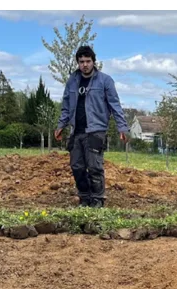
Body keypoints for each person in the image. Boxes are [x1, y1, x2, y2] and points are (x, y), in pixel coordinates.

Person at [55, 46, 129, 208]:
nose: (85, 65)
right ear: (78, 63)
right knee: (77, 167)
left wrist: (122, 127)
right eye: (81, 61)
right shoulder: (72, 81)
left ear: (93, 62)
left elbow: (115, 105)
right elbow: (66, 106)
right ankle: (84, 198)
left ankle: (97, 199)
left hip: (96, 131)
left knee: (95, 167)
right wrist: (61, 125)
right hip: (76, 131)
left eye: (88, 61)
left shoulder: (105, 81)